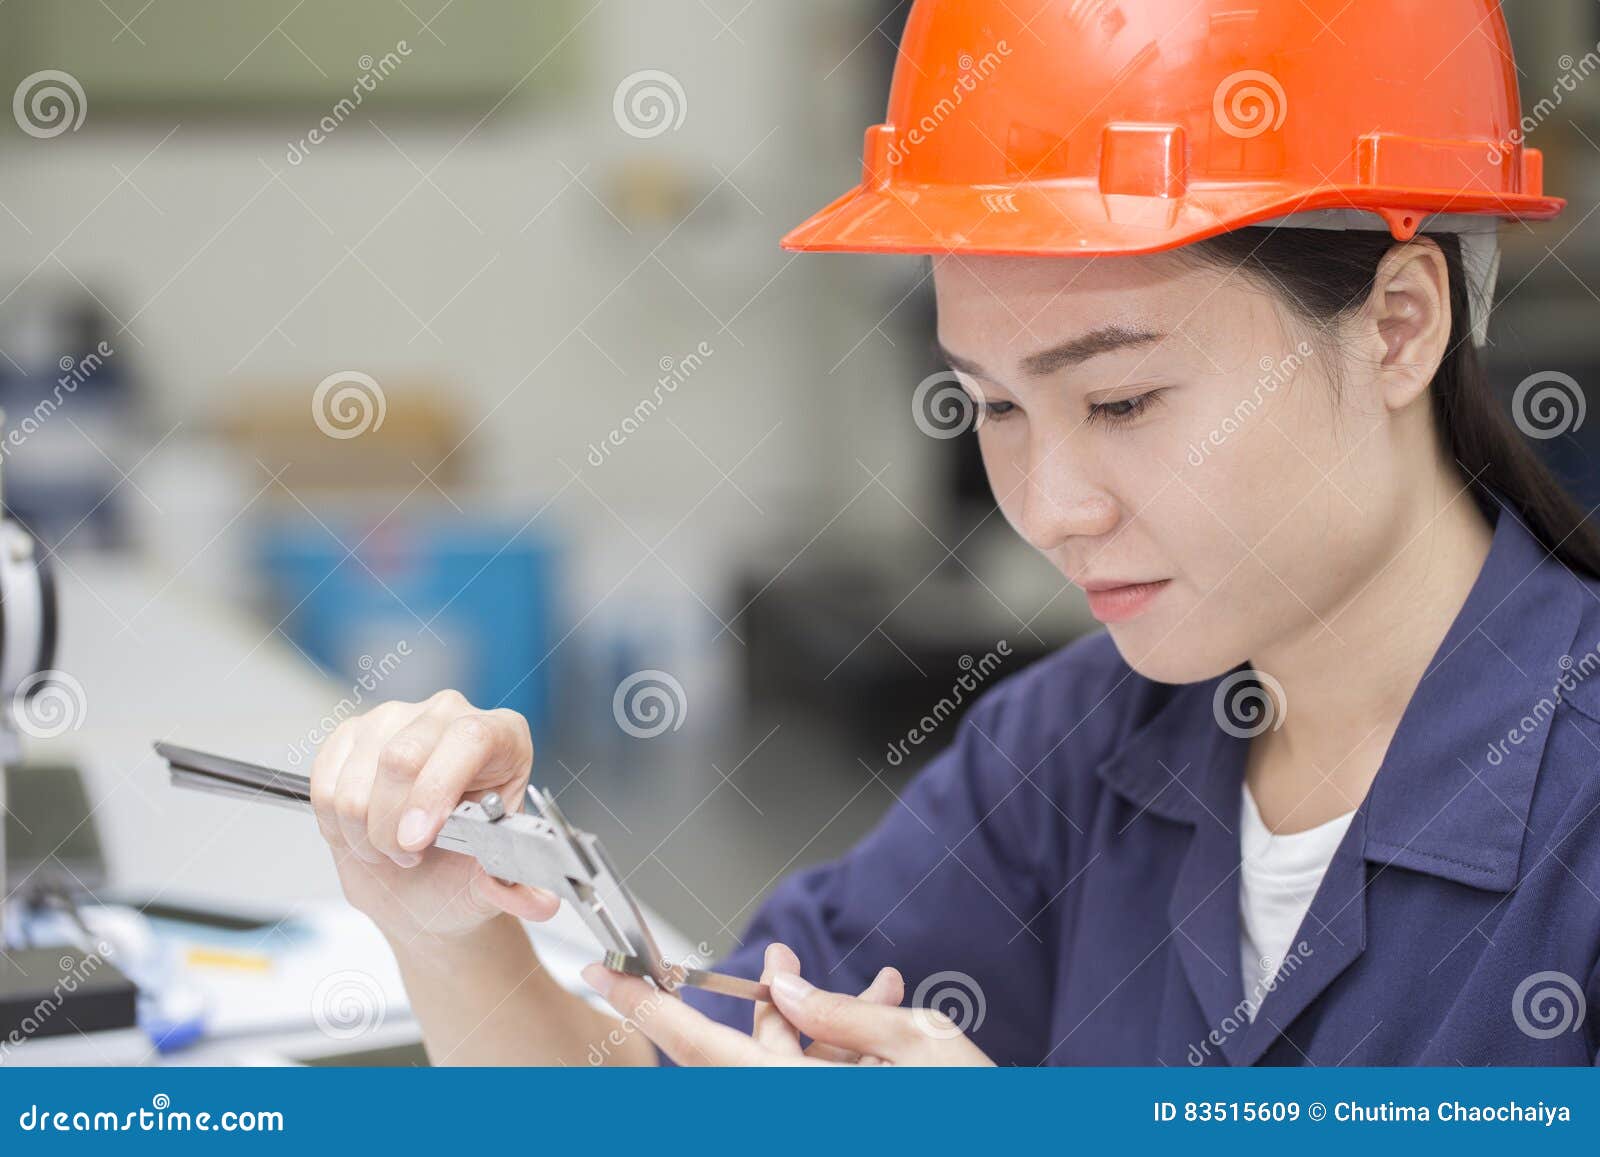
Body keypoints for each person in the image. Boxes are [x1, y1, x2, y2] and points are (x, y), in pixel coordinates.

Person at [310, 0, 1600, 1065]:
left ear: (1398, 326)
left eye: (1123, 399)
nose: (1049, 506)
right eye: (991, 406)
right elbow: (651, 1095)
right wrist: (445, 929)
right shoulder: (1072, 754)